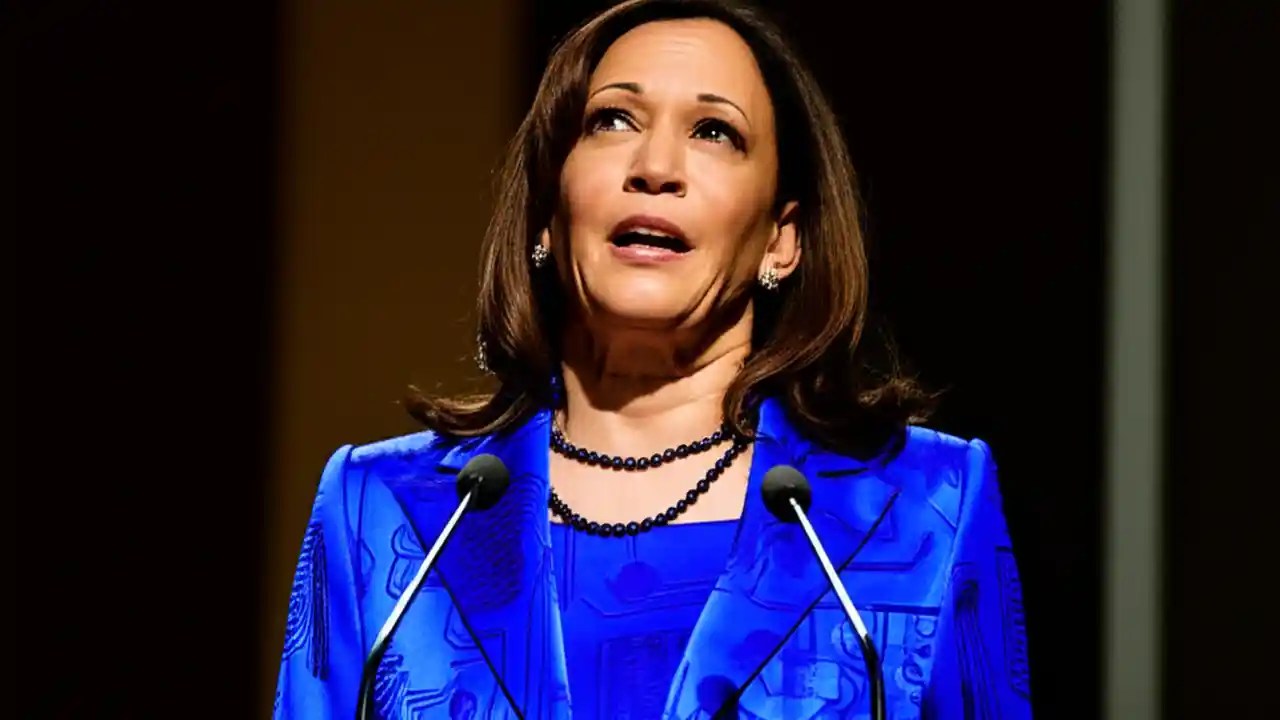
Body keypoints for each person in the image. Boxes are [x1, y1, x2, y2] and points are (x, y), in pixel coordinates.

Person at [272, 0, 1032, 717]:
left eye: (714, 132)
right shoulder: (382, 509)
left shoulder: (926, 504)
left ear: (782, 238)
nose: (656, 165)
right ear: (546, 212)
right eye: (612, 120)